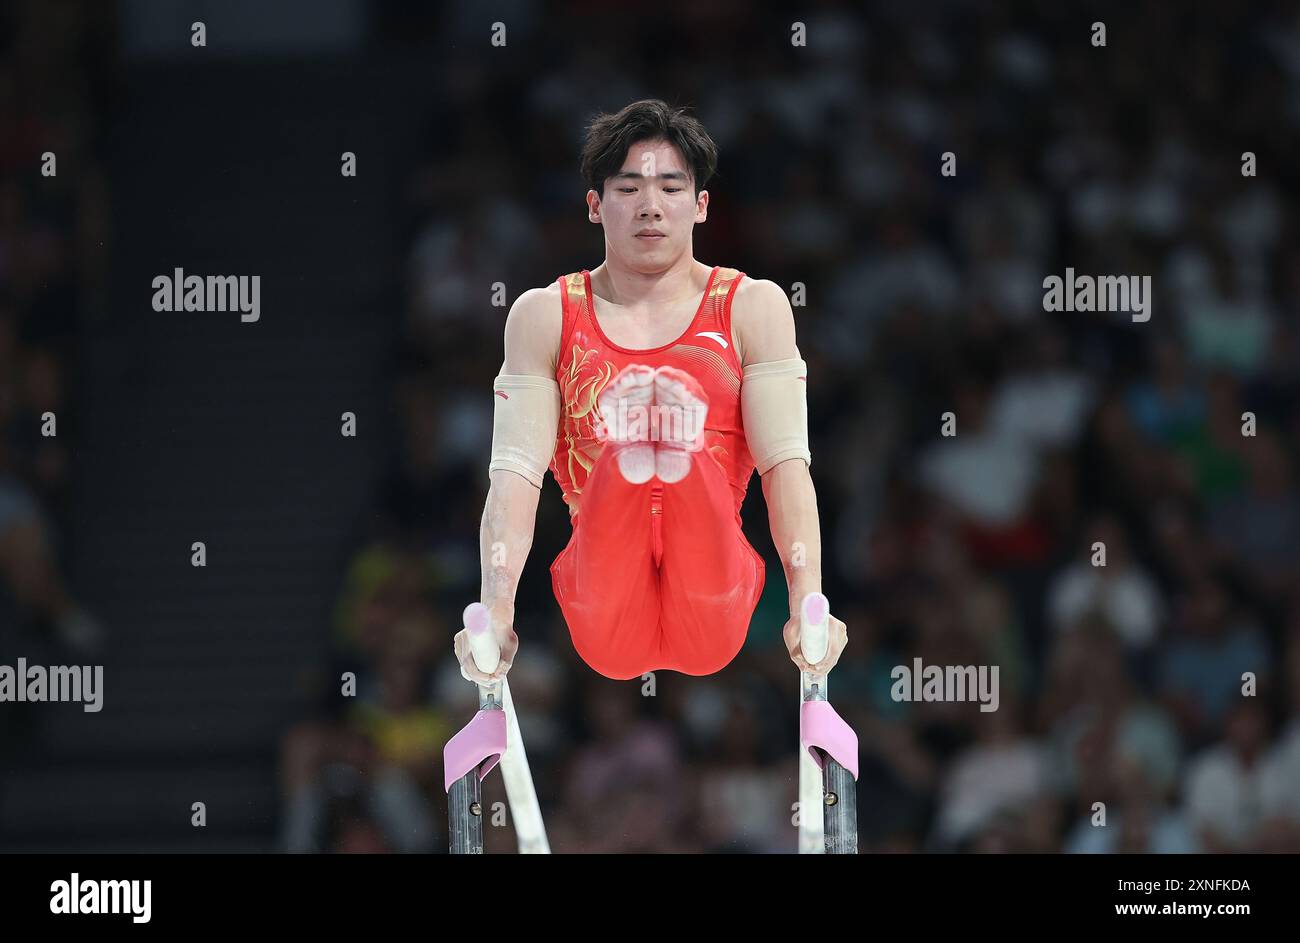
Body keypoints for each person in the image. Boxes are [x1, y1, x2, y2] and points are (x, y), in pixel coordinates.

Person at [454, 99, 846, 683]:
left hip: (712, 588)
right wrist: (496, 611)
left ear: (701, 205)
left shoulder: (752, 308)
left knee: (701, 504)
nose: (651, 207)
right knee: (608, 517)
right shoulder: (544, 317)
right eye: (629, 188)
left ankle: (664, 447)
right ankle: (641, 445)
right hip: (604, 593)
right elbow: (513, 478)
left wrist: (808, 603)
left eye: (670, 187)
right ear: (595, 205)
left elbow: (786, 469)